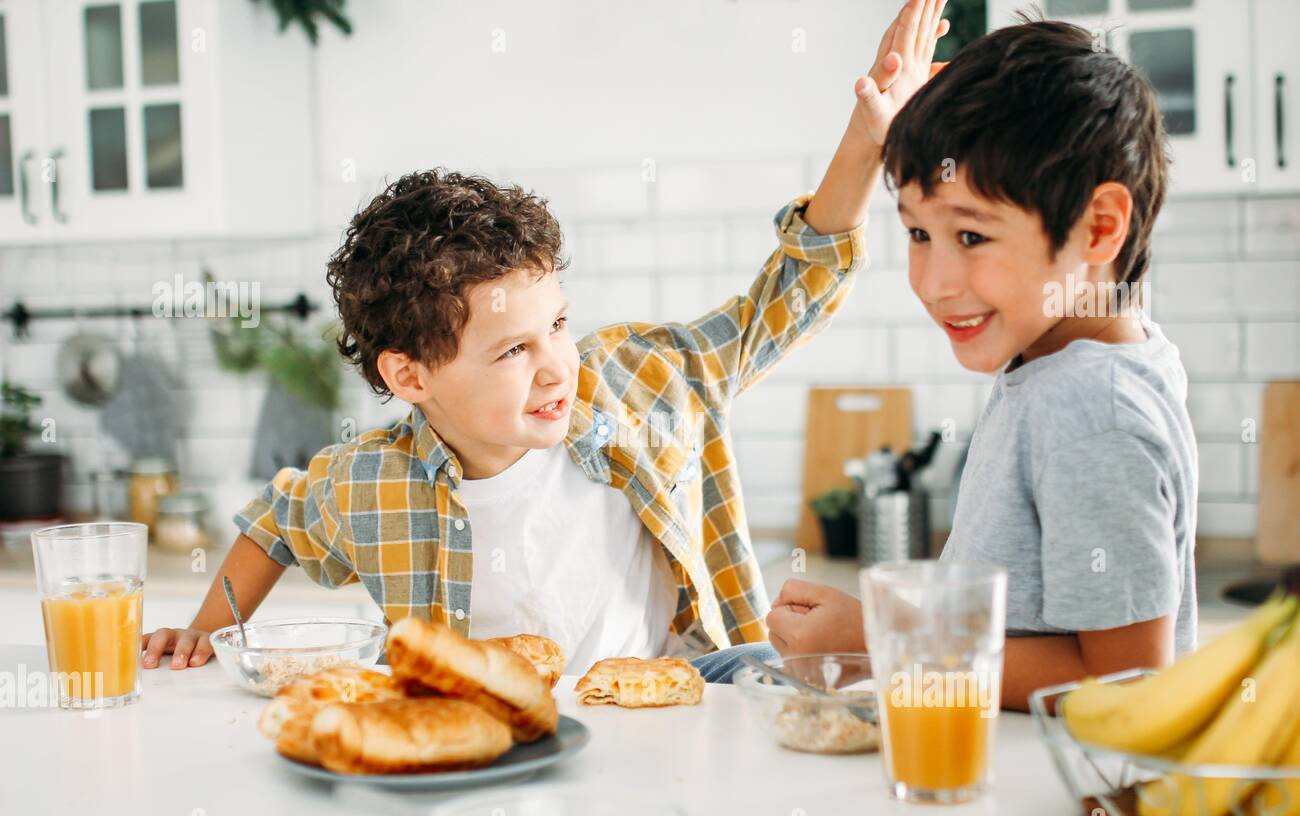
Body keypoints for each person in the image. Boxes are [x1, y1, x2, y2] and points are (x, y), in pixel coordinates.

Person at [141, 1, 954, 684]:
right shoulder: (368, 483)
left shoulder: (643, 380)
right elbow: (275, 522)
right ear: (410, 375)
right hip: (486, 715)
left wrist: (866, 141)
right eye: (510, 352)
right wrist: (206, 632)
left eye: (557, 326)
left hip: (679, 686)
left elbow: (792, 290)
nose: (555, 366)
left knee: (765, 683)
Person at [767, 15, 1197, 710]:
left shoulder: (1091, 405)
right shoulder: (1064, 355)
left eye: (971, 234)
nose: (935, 282)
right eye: (917, 232)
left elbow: (1129, 684)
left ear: (1099, 227)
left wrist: (885, 639)